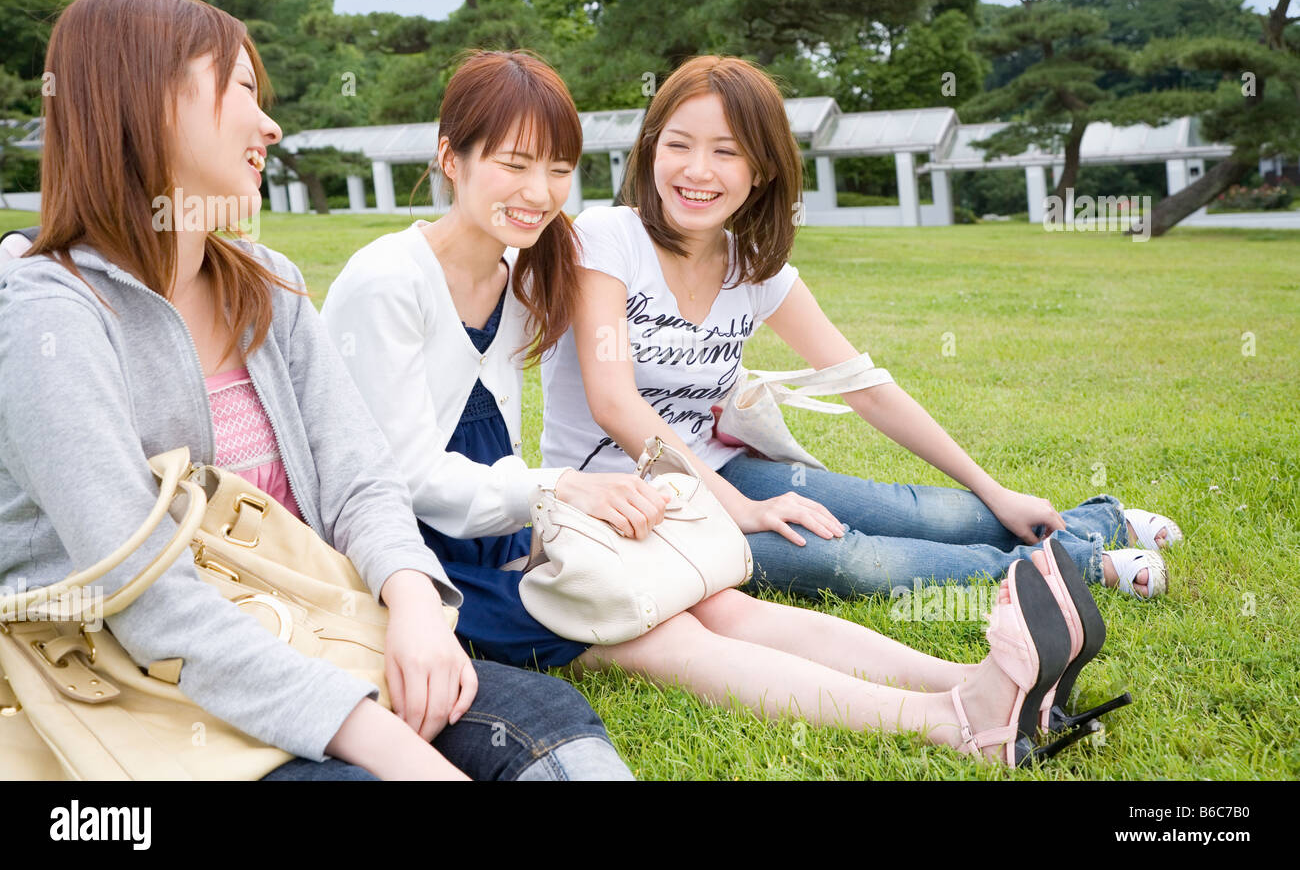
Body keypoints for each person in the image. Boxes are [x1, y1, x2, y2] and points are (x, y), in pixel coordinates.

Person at [321, 50, 1120, 767]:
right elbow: (397, 478)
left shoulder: (522, 270)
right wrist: (554, 489)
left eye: (558, 169)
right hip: (412, 564)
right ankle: (953, 723)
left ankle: (982, 687)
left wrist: (552, 496)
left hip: (506, 522)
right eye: (513, 165)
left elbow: (826, 373)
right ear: (448, 157)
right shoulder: (389, 278)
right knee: (666, 636)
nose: (540, 194)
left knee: (719, 604)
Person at [0, 0, 631, 781]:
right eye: (238, 90)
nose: (270, 125)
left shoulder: (268, 283)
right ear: (146, 100)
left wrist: (415, 605)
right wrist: (381, 737)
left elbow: (359, 478)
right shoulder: (43, 312)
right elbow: (148, 598)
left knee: (548, 722)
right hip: (142, 686)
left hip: (309, 624)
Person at [538, 54, 1180, 603]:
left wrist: (993, 488)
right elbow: (615, 403)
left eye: (725, 152)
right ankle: (1065, 568)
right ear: (651, 148)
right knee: (851, 560)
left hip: (723, 471)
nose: (696, 170)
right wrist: (745, 514)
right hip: (626, 500)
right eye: (677, 144)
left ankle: (1097, 519)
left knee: (918, 513)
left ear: (760, 170)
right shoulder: (607, 238)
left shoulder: (756, 269)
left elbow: (865, 387)